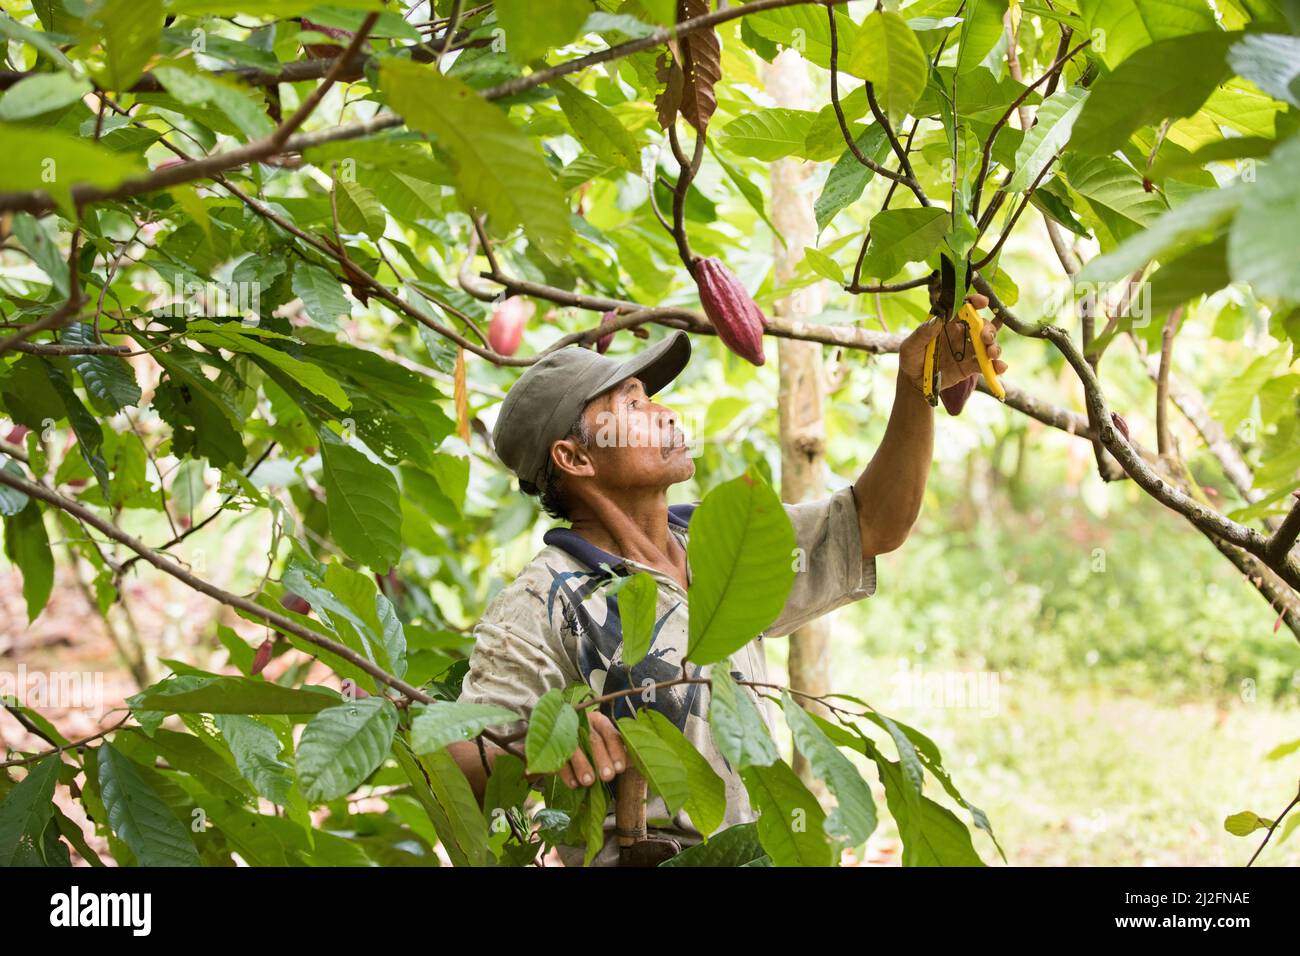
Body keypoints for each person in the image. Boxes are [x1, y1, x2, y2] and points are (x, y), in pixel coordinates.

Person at [447, 297, 1006, 865]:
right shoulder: (546, 598)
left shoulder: (717, 544)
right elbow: (458, 757)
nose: (664, 413)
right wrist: (548, 738)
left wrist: (917, 387)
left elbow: (873, 522)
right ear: (574, 458)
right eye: (632, 405)